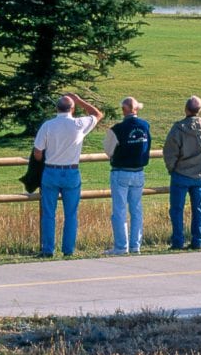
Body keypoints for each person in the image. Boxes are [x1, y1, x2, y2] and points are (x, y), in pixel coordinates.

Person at [33, 93, 103, 257]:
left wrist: (43, 159)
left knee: (48, 214)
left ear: (56, 108)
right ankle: (68, 250)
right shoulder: (79, 124)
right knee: (71, 214)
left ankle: (48, 249)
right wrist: (79, 100)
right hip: (71, 171)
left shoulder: (48, 125)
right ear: (72, 108)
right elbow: (97, 114)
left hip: (51, 171)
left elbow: (37, 152)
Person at [163, 95, 201, 250]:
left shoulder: (178, 128)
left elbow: (170, 151)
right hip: (199, 174)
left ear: (186, 109)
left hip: (181, 173)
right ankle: (197, 240)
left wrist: (172, 168)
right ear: (200, 110)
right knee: (198, 209)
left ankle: (178, 241)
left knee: (176, 209)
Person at [103, 96, 151, 255]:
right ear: (136, 109)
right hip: (139, 171)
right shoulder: (145, 126)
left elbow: (108, 150)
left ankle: (121, 246)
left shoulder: (117, 129)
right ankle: (136, 245)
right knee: (136, 210)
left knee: (120, 210)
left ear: (123, 110)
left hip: (121, 172)